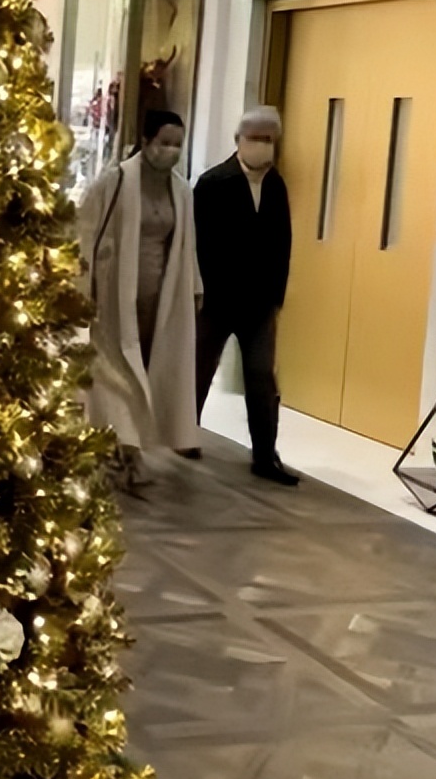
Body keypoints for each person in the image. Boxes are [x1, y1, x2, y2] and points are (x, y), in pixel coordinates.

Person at [80, 109, 202, 490]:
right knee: (118, 378)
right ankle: (124, 453)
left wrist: (194, 287)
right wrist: (84, 288)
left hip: (160, 299)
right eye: (165, 142)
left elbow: (186, 246)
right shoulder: (115, 182)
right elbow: (85, 233)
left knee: (147, 371)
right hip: (115, 298)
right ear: (146, 142)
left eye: (178, 144)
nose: (171, 150)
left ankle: (127, 450)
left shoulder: (181, 191)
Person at [193, 105, 298, 486]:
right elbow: (201, 243)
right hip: (217, 300)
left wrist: (276, 296)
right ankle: (184, 435)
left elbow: (283, 243)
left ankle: (265, 455)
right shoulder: (213, 183)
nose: (261, 145)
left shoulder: (276, 185)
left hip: (259, 303)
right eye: (254, 138)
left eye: (268, 139)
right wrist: (202, 291)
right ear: (238, 140)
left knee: (261, 376)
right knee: (199, 369)